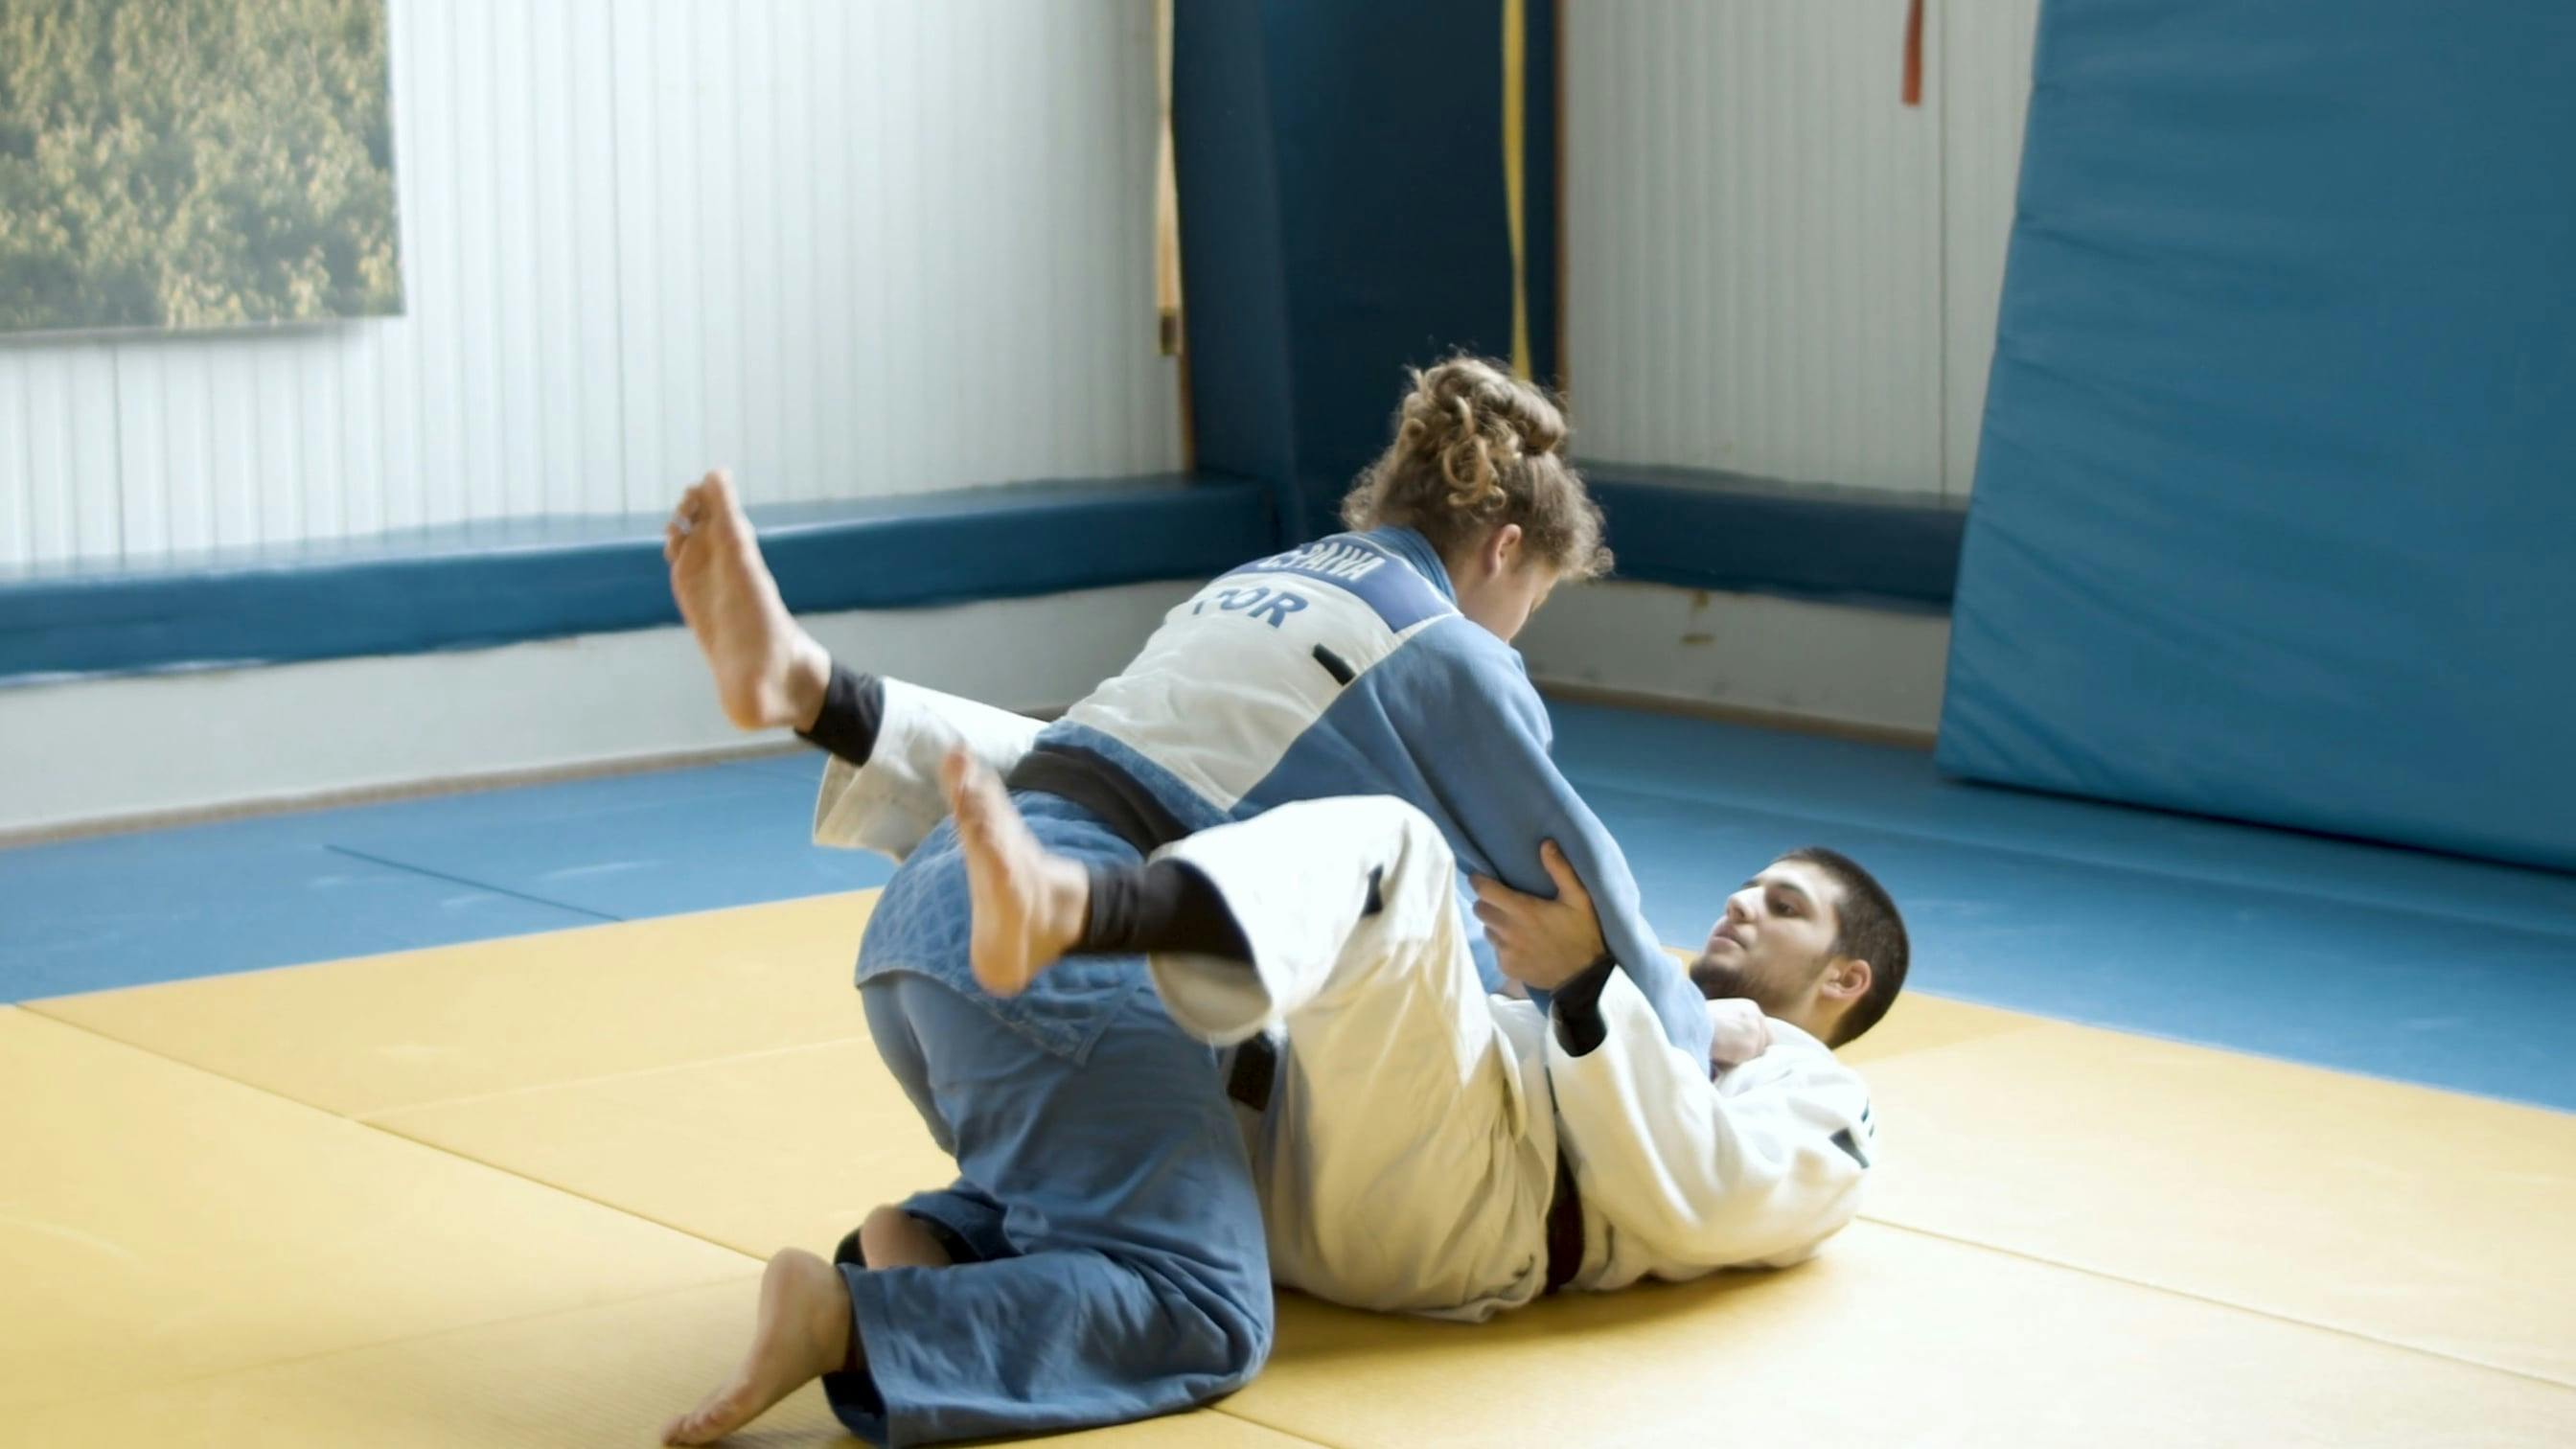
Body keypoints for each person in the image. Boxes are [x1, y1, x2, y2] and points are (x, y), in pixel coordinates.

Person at [659, 357, 1719, 1446]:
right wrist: (1695, 1051)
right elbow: (1589, 892)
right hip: (1071, 955)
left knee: (1194, 1102)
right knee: (1205, 1308)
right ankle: (851, 1322)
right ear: (1505, 550)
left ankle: (942, 1249)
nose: (1515, 639)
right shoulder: (1448, 650)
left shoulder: (1265, 583)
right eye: (1529, 605)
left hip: (935, 921)